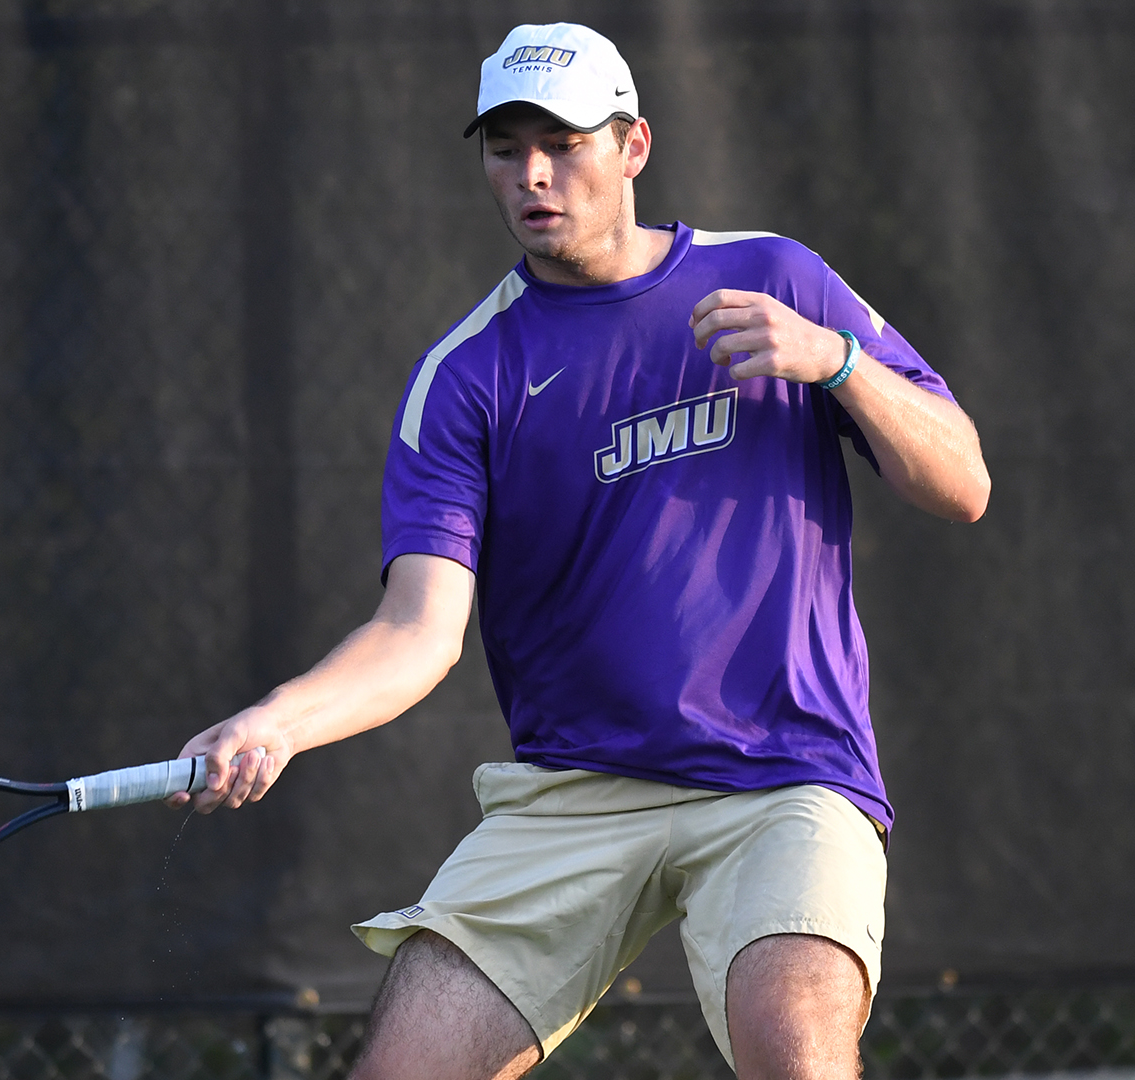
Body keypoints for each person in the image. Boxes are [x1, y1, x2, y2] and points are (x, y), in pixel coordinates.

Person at [168, 21, 991, 1080]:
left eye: (563, 143)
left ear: (634, 145)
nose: (535, 175)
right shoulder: (467, 377)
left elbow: (963, 482)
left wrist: (836, 364)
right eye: (506, 149)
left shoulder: (778, 278)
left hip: (786, 776)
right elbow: (417, 633)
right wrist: (278, 721)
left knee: (796, 1054)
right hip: (574, 792)